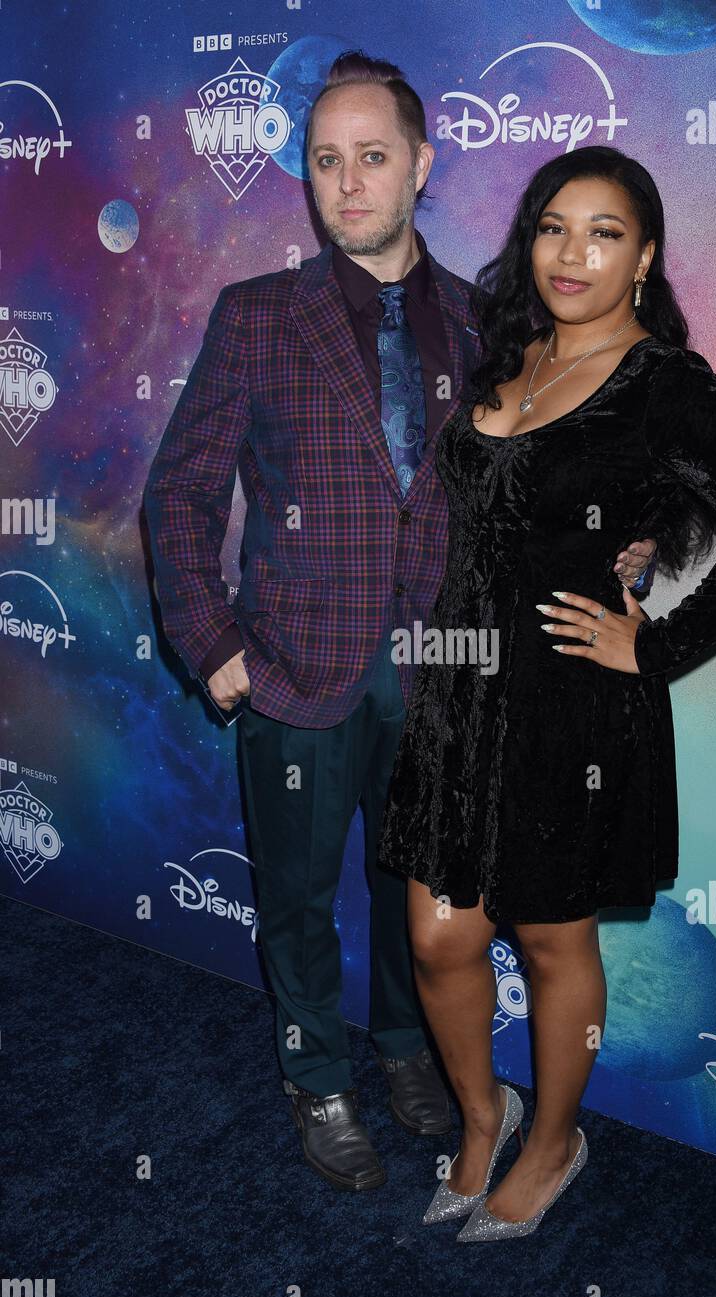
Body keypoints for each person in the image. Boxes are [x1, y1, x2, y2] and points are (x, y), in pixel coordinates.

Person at [142, 55, 659, 1194]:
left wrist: (619, 544)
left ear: (420, 165)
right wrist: (215, 649)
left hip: (446, 672)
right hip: (290, 669)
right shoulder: (256, 316)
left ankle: (398, 1047)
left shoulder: (487, 324)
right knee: (292, 896)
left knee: (413, 895)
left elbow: (537, 485)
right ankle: (314, 1072)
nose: (347, 181)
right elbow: (179, 493)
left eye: (371, 156)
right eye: (325, 160)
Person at [376, 145, 716, 1240]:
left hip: (569, 705)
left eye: (603, 232)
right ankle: (483, 1118)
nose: (572, 253)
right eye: (552, 227)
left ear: (643, 257)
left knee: (547, 941)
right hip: (459, 683)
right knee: (436, 937)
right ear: (528, 243)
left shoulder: (663, 383)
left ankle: (552, 1141)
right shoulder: (508, 352)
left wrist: (655, 646)